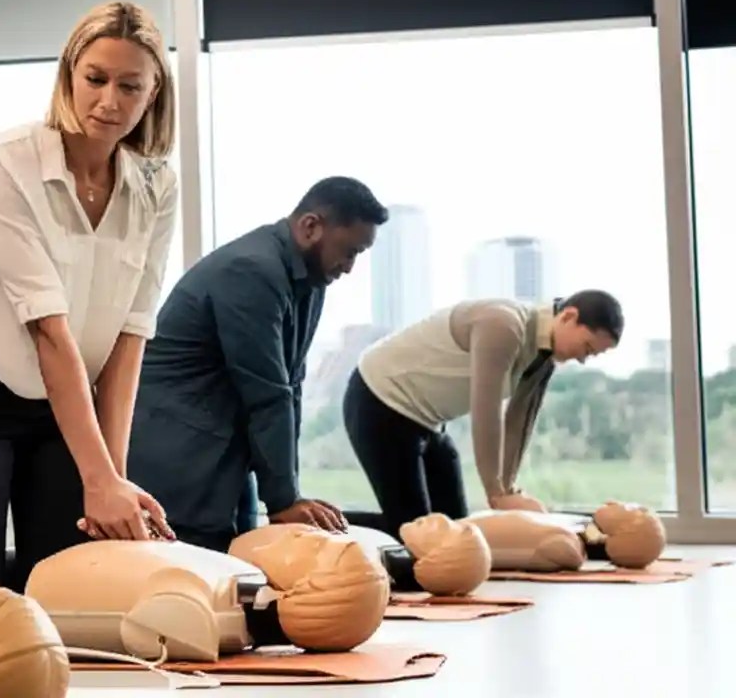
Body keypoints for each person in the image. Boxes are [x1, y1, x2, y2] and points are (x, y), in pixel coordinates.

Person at [0, 0, 179, 593]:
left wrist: (111, 477)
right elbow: (49, 331)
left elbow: (130, 337)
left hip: (66, 405)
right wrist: (101, 477)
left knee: (68, 582)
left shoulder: (157, 186)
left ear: (154, 94)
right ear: (69, 75)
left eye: (130, 86)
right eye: (96, 79)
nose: (109, 100)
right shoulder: (4, 161)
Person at [125, 178, 389, 553]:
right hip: (180, 456)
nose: (349, 267)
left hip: (227, 454)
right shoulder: (251, 270)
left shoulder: (309, 281)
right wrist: (283, 500)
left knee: (240, 568)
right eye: (348, 252)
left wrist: (286, 493)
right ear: (310, 226)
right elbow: (268, 392)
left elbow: (290, 387)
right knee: (195, 581)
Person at [342, 291, 624, 537]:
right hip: (378, 400)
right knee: (417, 537)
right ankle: (314, 526)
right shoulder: (504, 325)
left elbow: (518, 422)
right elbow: (486, 410)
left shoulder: (543, 360)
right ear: (568, 317)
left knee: (456, 533)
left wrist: (508, 488)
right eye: (586, 347)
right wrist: (495, 493)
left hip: (427, 422)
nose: (582, 359)